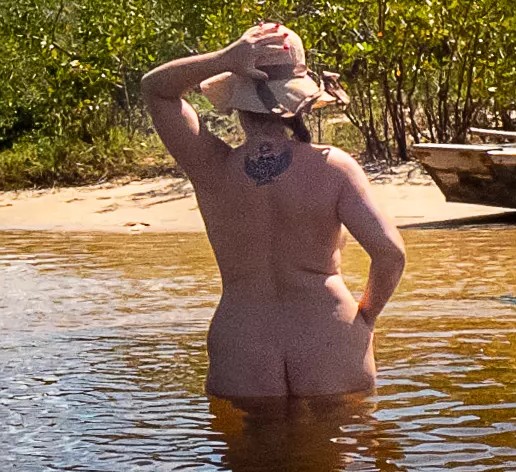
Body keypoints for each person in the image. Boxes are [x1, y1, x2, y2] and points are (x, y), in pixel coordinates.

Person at [140, 23, 406, 403]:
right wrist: (367, 317)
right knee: (342, 452)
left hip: (242, 349)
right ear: (300, 104)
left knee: (249, 460)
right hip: (330, 342)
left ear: (237, 102)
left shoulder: (212, 167)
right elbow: (390, 253)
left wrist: (222, 58)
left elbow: (156, 89)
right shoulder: (333, 167)